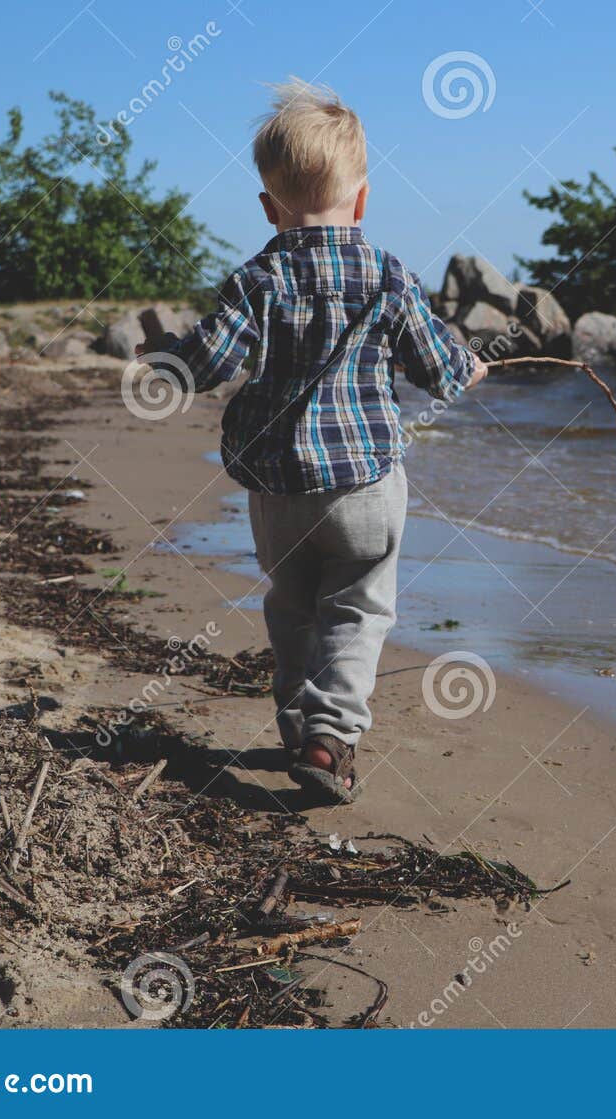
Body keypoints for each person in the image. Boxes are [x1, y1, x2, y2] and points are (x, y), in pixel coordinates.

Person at [136, 78, 485, 803]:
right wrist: (473, 365)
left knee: (292, 605)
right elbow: (440, 370)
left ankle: (298, 727)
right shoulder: (390, 276)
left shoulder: (258, 279)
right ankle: (330, 740)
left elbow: (207, 362)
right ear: (362, 200)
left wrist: (159, 359)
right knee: (358, 608)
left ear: (269, 207)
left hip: (278, 491)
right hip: (363, 486)